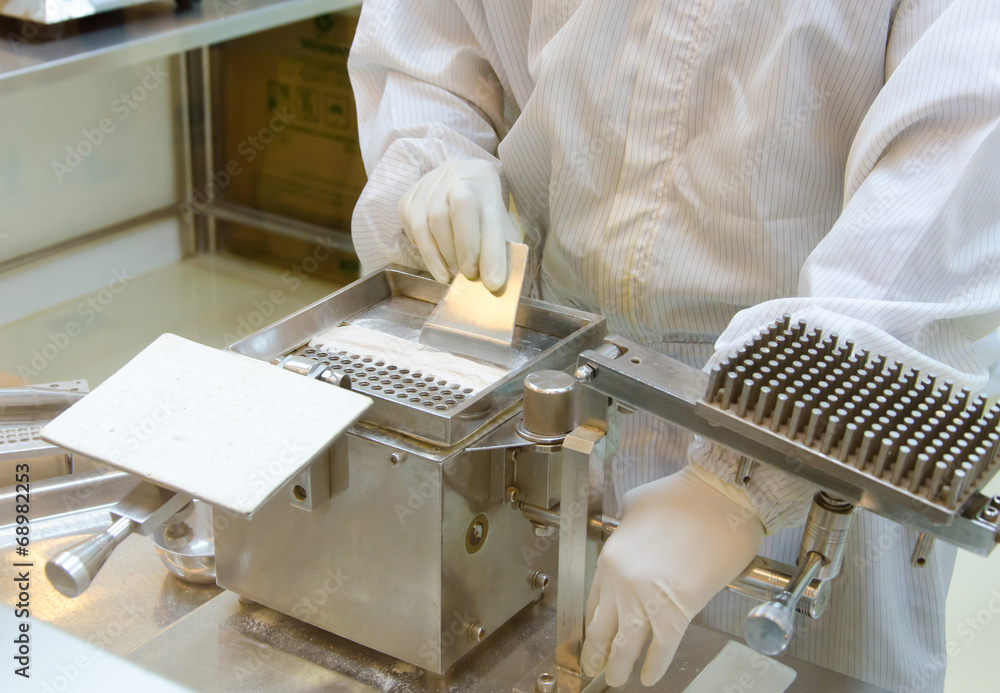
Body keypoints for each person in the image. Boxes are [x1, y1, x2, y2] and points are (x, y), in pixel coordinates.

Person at [347, 1, 1000, 690]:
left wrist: (741, 484)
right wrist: (439, 157)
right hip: (557, 388)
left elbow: (955, 174)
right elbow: (425, 37)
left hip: (820, 449)